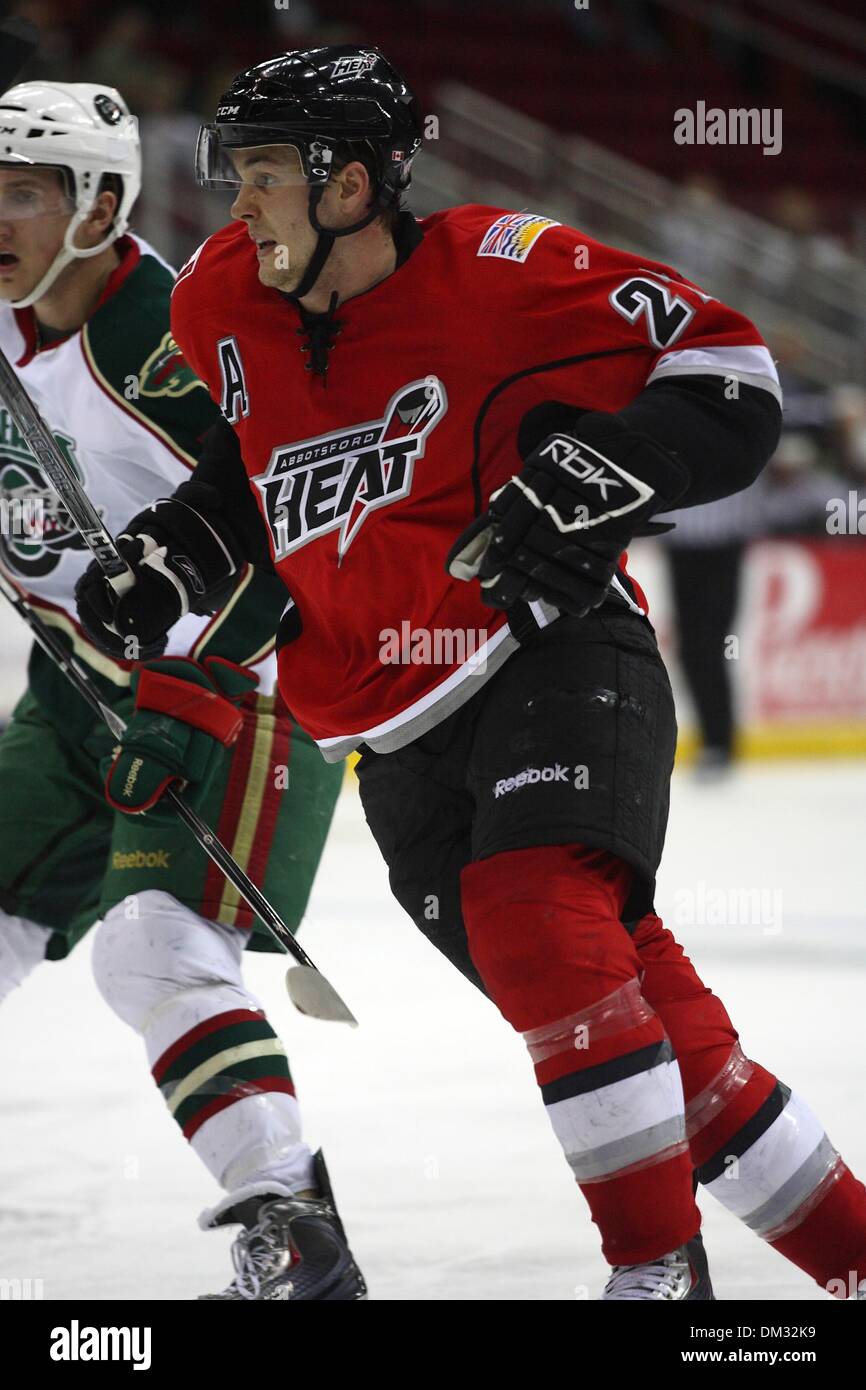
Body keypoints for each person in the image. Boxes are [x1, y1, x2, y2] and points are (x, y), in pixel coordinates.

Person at [77, 45, 866, 1301]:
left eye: (265, 173)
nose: (237, 204)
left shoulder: (505, 266)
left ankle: (656, 1276)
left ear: (349, 186)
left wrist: (604, 467)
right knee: (658, 1048)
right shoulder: (224, 295)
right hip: (390, 743)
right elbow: (254, 462)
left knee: (535, 924)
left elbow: (731, 372)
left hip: (547, 652)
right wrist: (180, 549)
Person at [0, 80, 364, 1300]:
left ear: (100, 206)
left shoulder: (166, 343)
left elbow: (294, 525)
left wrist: (191, 694)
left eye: (22, 194)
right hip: (78, 681)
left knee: (154, 949)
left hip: (244, 681)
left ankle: (295, 1233)